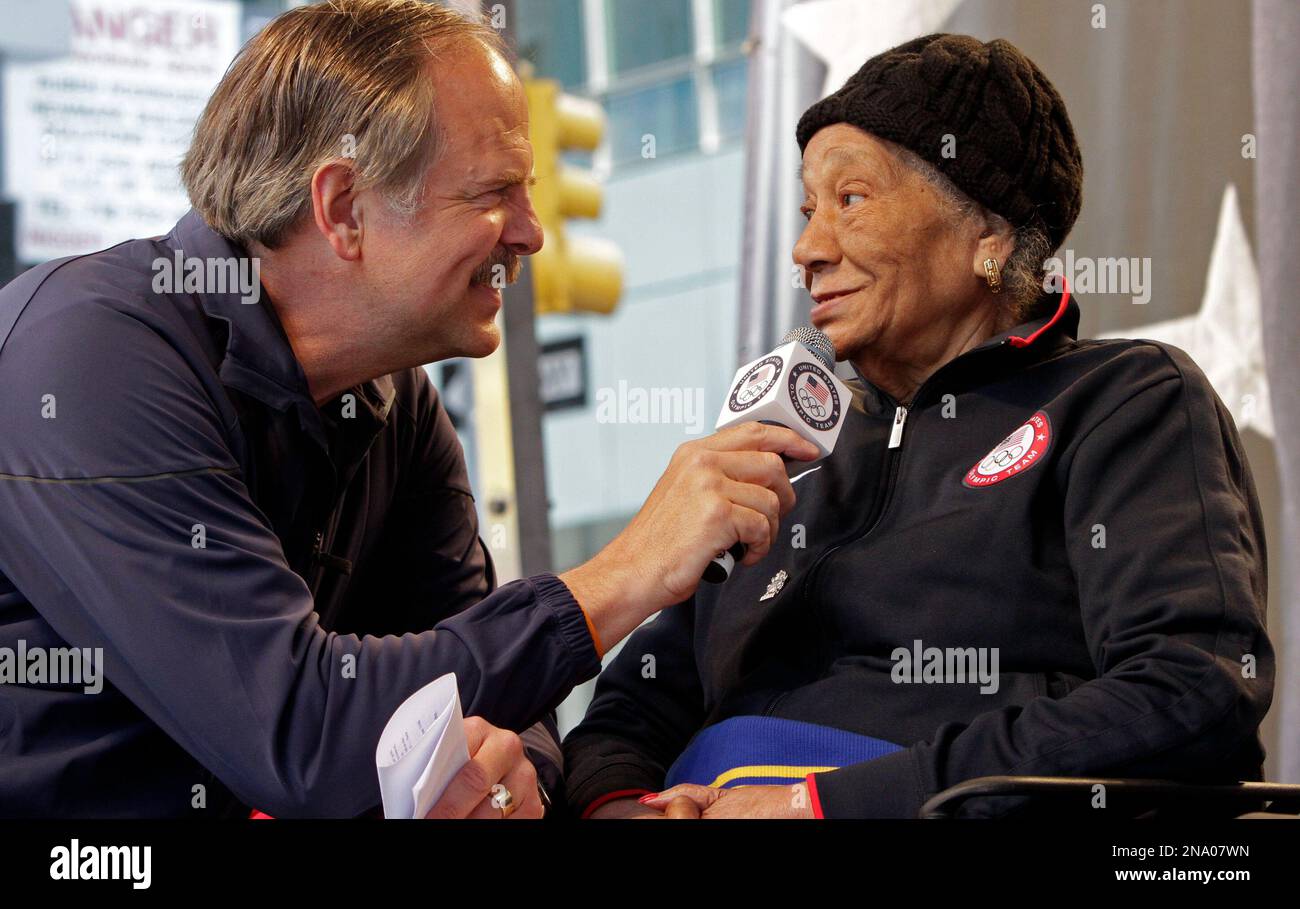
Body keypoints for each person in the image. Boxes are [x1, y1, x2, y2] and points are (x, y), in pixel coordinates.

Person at [0, 0, 817, 818]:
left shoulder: (396, 403)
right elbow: (302, 733)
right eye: (496, 191)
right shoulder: (86, 355)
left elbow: (495, 691)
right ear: (345, 209)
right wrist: (625, 573)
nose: (532, 232)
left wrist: (510, 780)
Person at [562, 33, 1275, 820]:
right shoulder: (784, 457)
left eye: (851, 200)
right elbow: (631, 712)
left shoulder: (1124, 400)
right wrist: (618, 805)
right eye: (806, 209)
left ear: (990, 239)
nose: (806, 248)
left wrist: (831, 805)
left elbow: (1191, 689)